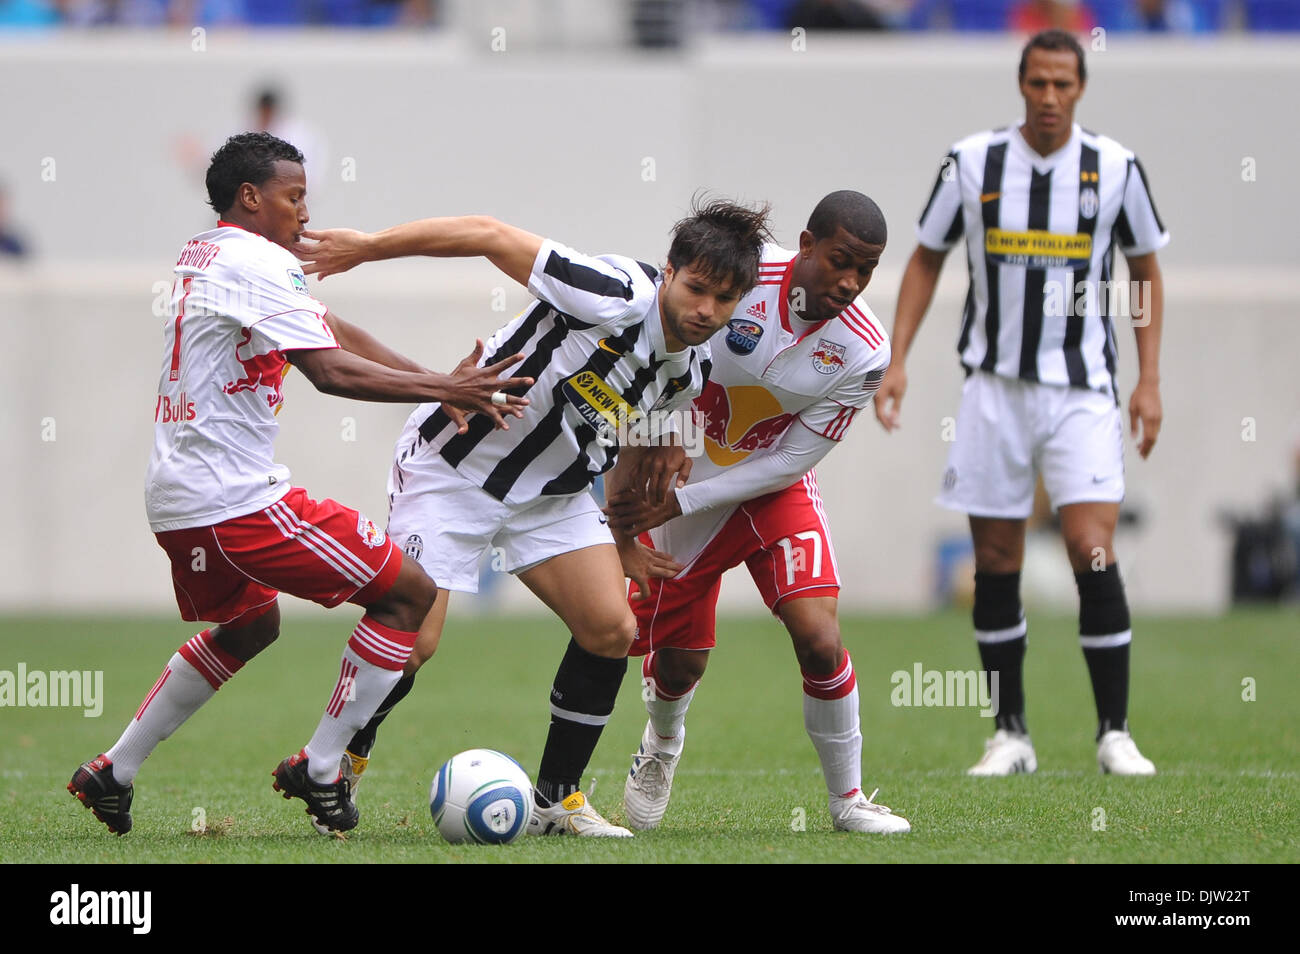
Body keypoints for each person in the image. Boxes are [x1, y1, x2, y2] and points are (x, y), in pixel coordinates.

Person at [67, 131, 531, 835]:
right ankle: (319, 768)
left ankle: (112, 771)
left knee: (252, 624)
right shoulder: (255, 261)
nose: (306, 215)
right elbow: (329, 370)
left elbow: (331, 330)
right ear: (250, 198)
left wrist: (441, 390)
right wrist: (444, 385)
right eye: (295, 197)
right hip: (237, 501)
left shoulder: (211, 252)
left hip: (178, 498)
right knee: (410, 593)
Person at [295, 197, 773, 836]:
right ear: (669, 271)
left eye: (723, 300)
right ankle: (341, 759)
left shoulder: (690, 366)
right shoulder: (613, 293)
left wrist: (626, 537)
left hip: (552, 498)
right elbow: (487, 232)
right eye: (695, 289)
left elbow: (636, 443)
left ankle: (557, 800)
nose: (705, 310)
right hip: (454, 469)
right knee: (415, 640)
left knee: (611, 627)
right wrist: (366, 247)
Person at [875, 30, 1167, 776]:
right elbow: (925, 258)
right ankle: (1010, 734)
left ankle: (1115, 733)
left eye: (1062, 84)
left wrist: (1149, 378)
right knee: (996, 558)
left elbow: (1144, 271)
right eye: (1037, 82)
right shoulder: (972, 161)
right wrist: (897, 359)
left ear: (1081, 88)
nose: (1048, 97)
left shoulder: (1117, 166)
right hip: (993, 390)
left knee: (1089, 548)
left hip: (1083, 389)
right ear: (1020, 83)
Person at [601, 190, 910, 834]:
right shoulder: (741, 278)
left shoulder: (864, 351)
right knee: (679, 660)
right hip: (677, 481)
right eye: (840, 260)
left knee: (821, 640)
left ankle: (848, 800)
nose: (850, 282)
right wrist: (663, 443)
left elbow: (794, 459)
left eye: (867, 269)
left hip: (768, 490)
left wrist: (685, 495)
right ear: (804, 246)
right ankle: (662, 744)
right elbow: (666, 351)